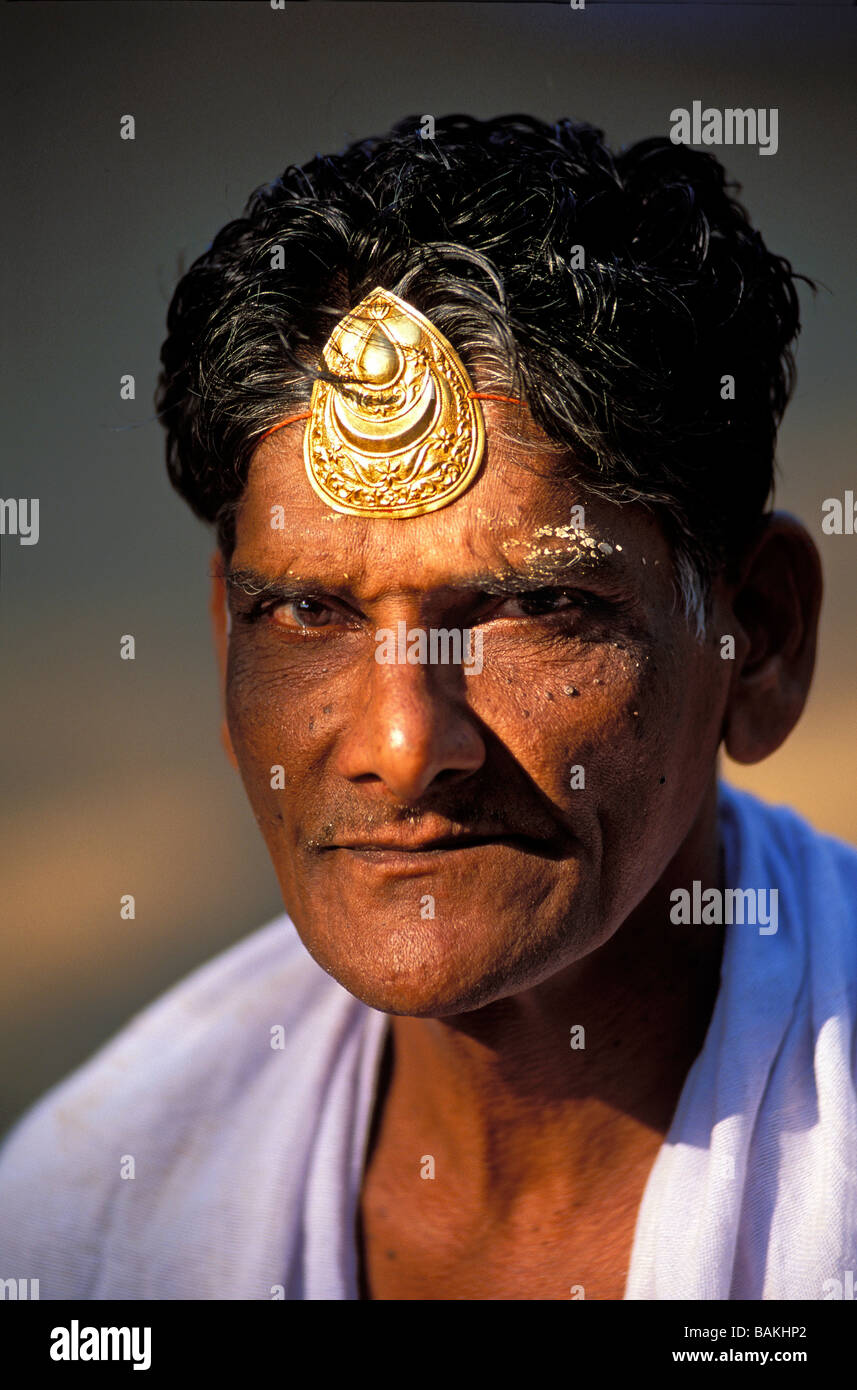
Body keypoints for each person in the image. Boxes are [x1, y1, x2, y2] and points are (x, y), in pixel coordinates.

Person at [1, 114, 854, 1301]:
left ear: (754, 639)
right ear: (222, 633)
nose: (404, 747)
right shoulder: (83, 1225)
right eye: (307, 613)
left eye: (533, 605)